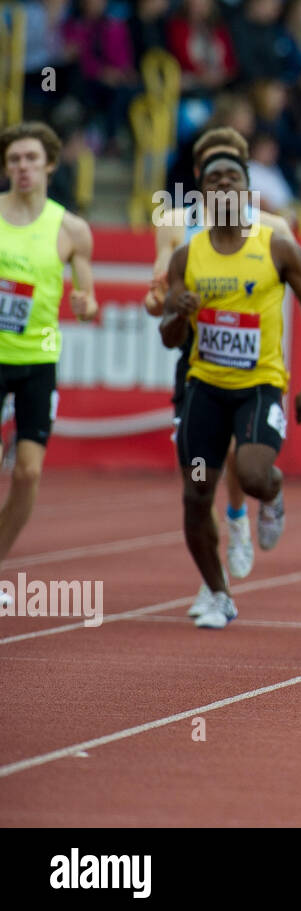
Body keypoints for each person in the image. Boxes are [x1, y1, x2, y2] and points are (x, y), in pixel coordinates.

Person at [145, 127, 301, 619]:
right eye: (215, 179)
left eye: (234, 177)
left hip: (259, 386)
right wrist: (176, 313)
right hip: (202, 387)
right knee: (195, 493)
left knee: (253, 473)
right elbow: (168, 334)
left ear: (247, 187)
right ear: (203, 191)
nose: (224, 186)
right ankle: (217, 593)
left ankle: (270, 499)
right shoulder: (187, 254)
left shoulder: (275, 243)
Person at [0, 123, 98, 611]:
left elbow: (88, 301)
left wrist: (84, 304)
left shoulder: (71, 229)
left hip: (38, 361)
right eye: (14, 159)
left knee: (28, 474)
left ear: (50, 165)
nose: (22, 167)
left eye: (31, 159)